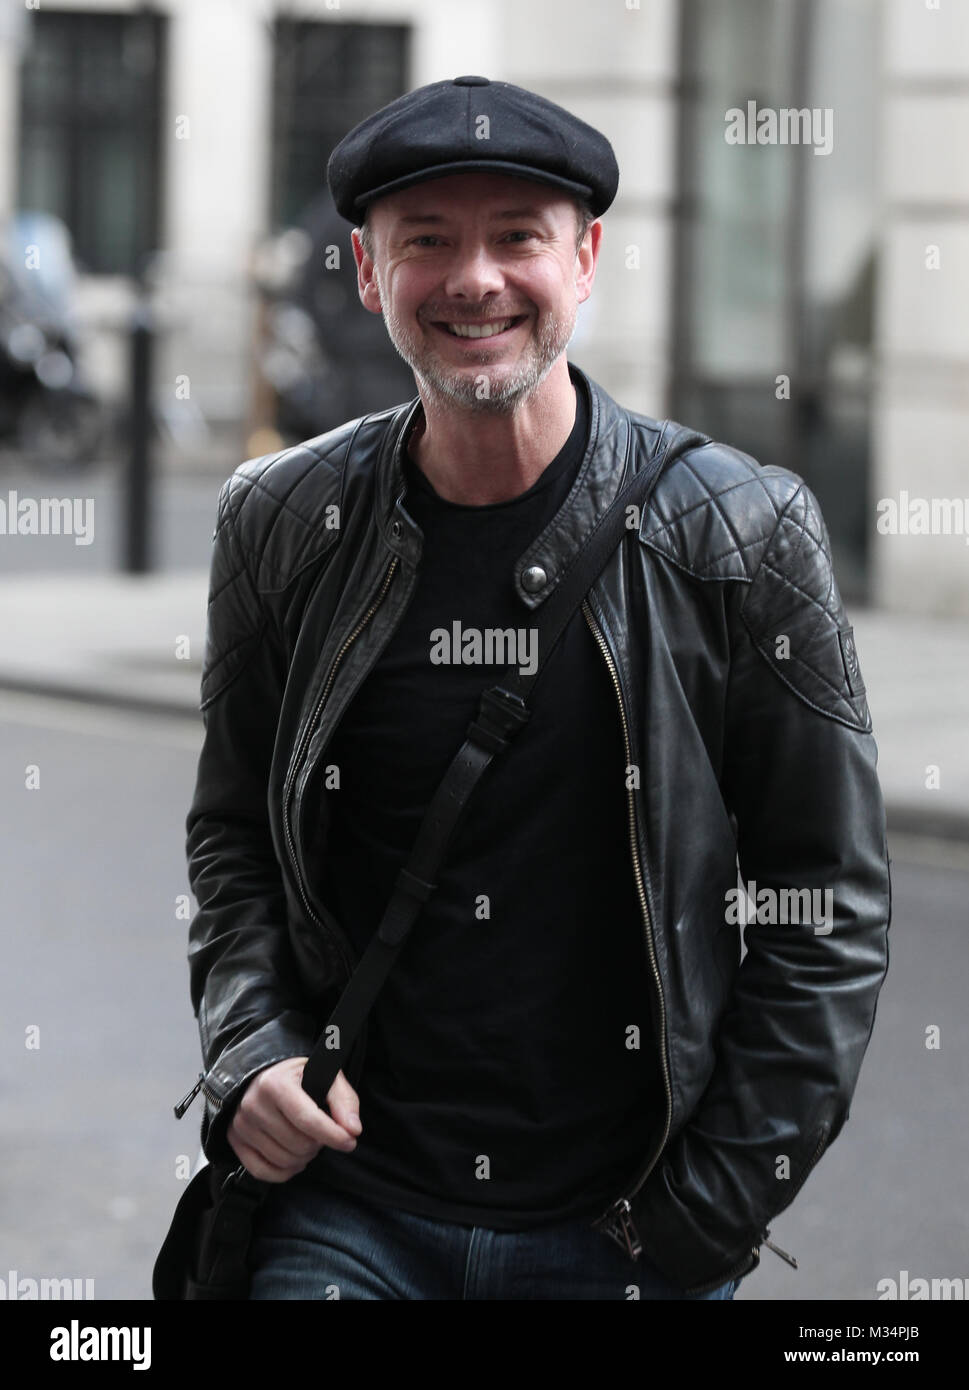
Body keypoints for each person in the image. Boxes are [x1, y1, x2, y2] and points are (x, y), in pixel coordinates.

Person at [182, 76, 891, 1301]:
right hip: (349, 1210)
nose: (475, 279)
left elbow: (821, 903)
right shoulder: (280, 522)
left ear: (586, 258)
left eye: (518, 235)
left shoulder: (743, 532)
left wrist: (707, 1215)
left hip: (620, 1231)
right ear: (366, 270)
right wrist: (253, 1052)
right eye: (429, 242)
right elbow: (235, 839)